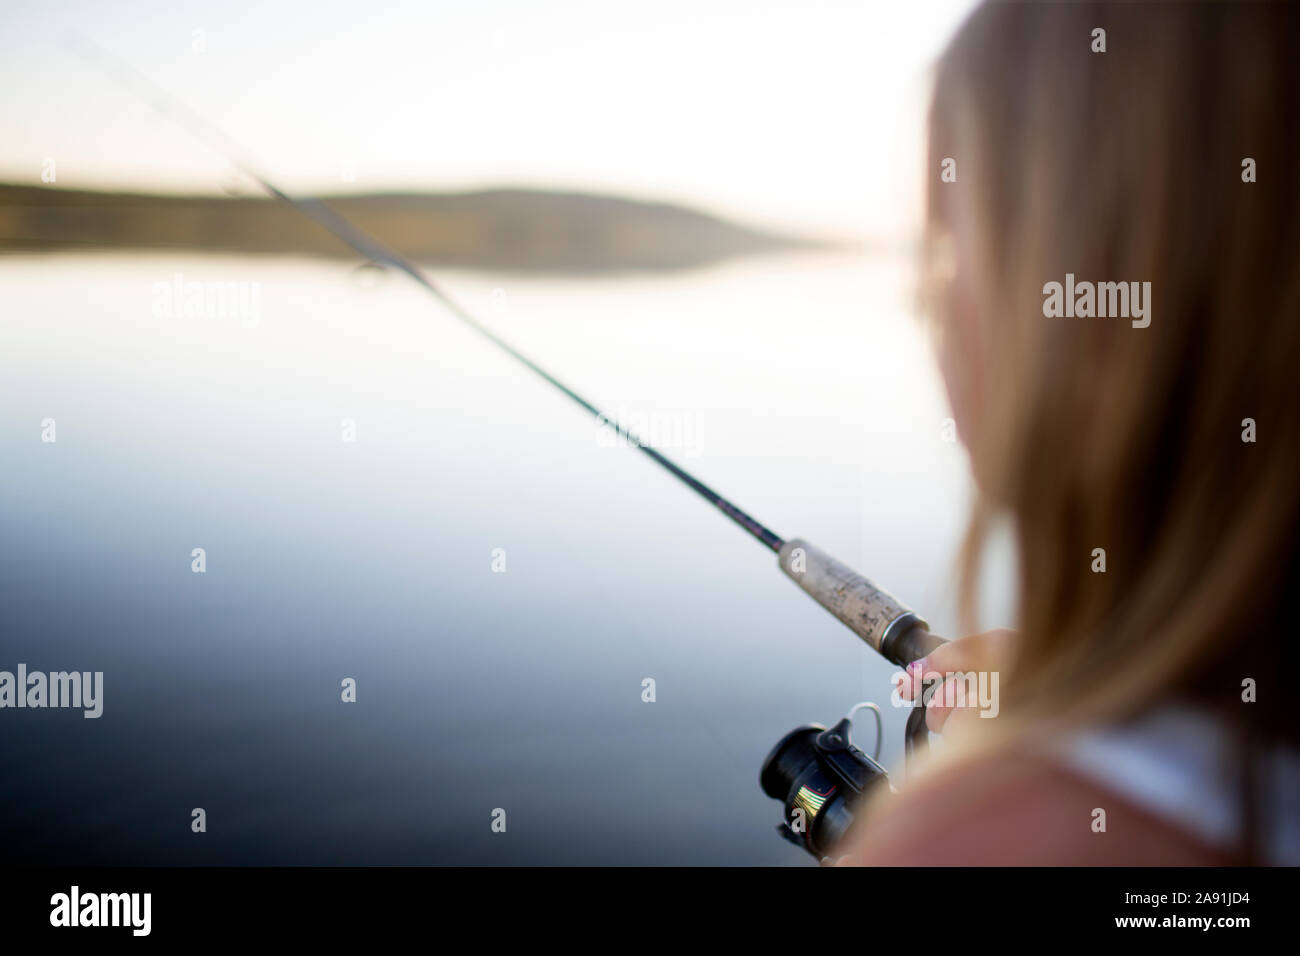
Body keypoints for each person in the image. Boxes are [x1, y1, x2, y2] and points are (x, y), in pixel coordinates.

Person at [838, 0, 1299, 866]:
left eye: (951, 249)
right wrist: (1085, 695)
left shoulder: (967, 846)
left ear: (1090, 332)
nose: (928, 302)